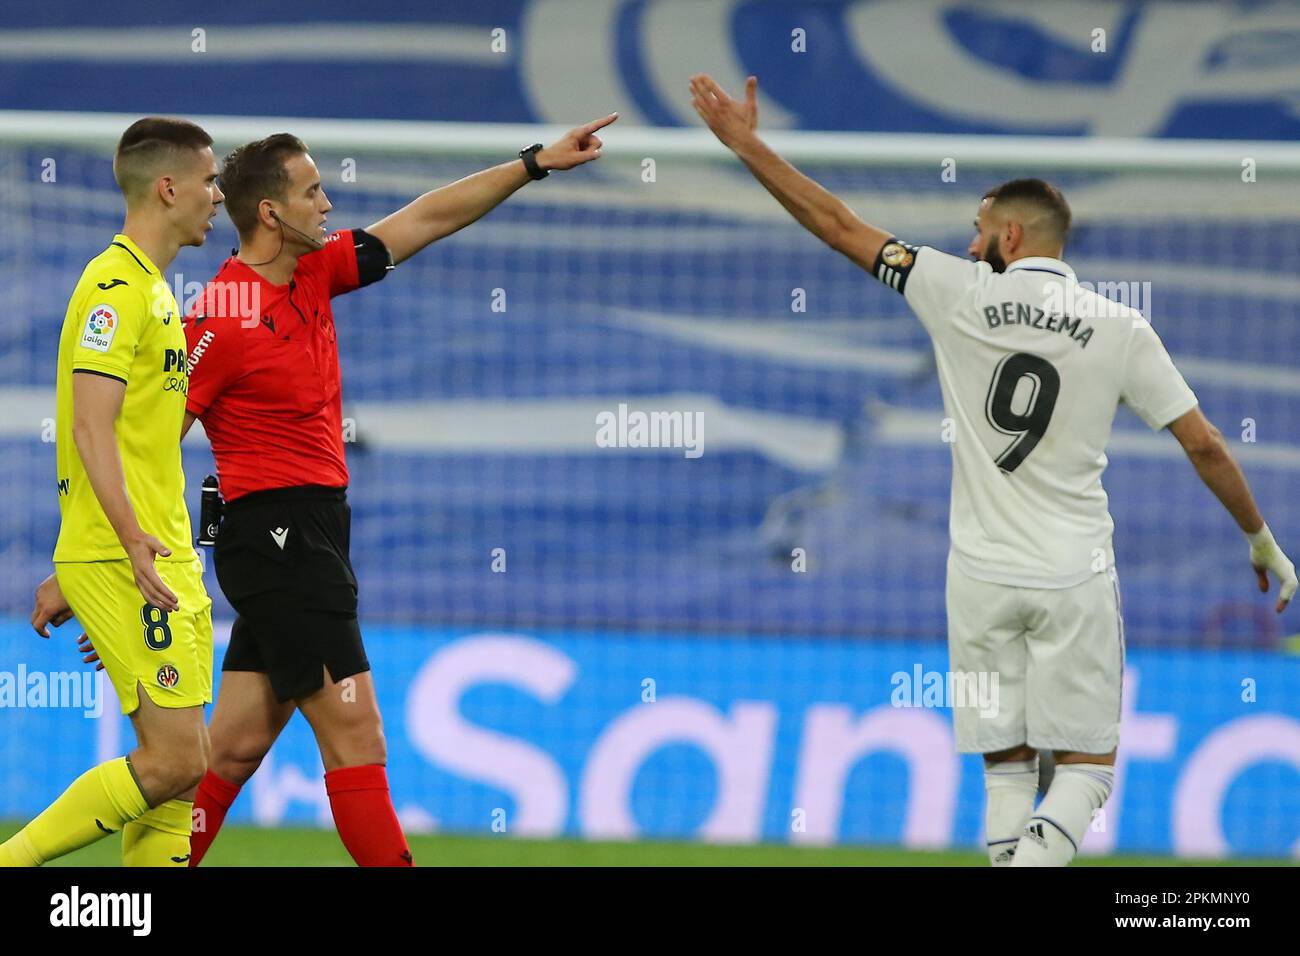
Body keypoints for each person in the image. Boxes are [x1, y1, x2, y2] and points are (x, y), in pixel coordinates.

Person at [689, 73, 1297, 866]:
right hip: (1072, 574)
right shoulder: (1120, 327)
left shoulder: (952, 290)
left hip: (977, 577)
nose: (968, 242)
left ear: (1011, 237)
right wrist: (1259, 540)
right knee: (1087, 771)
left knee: (1006, 769)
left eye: (978, 230)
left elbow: (835, 224)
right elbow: (1207, 443)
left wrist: (745, 144)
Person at [179, 115, 618, 866]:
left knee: (234, 749)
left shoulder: (314, 272)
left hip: (311, 531)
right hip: (274, 537)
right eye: (313, 191)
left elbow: (426, 218)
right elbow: (150, 440)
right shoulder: (218, 320)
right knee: (359, 735)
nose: (328, 203)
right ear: (269, 213)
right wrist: (123, 555)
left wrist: (532, 164)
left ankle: (143, 882)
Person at [9, 117, 225, 867]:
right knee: (174, 762)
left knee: (186, 770)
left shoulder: (156, 291)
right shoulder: (113, 287)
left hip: (155, 554)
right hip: (130, 552)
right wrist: (121, 548)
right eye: (208, 181)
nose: (216, 197)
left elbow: (135, 439)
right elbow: (92, 428)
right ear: (168, 188)